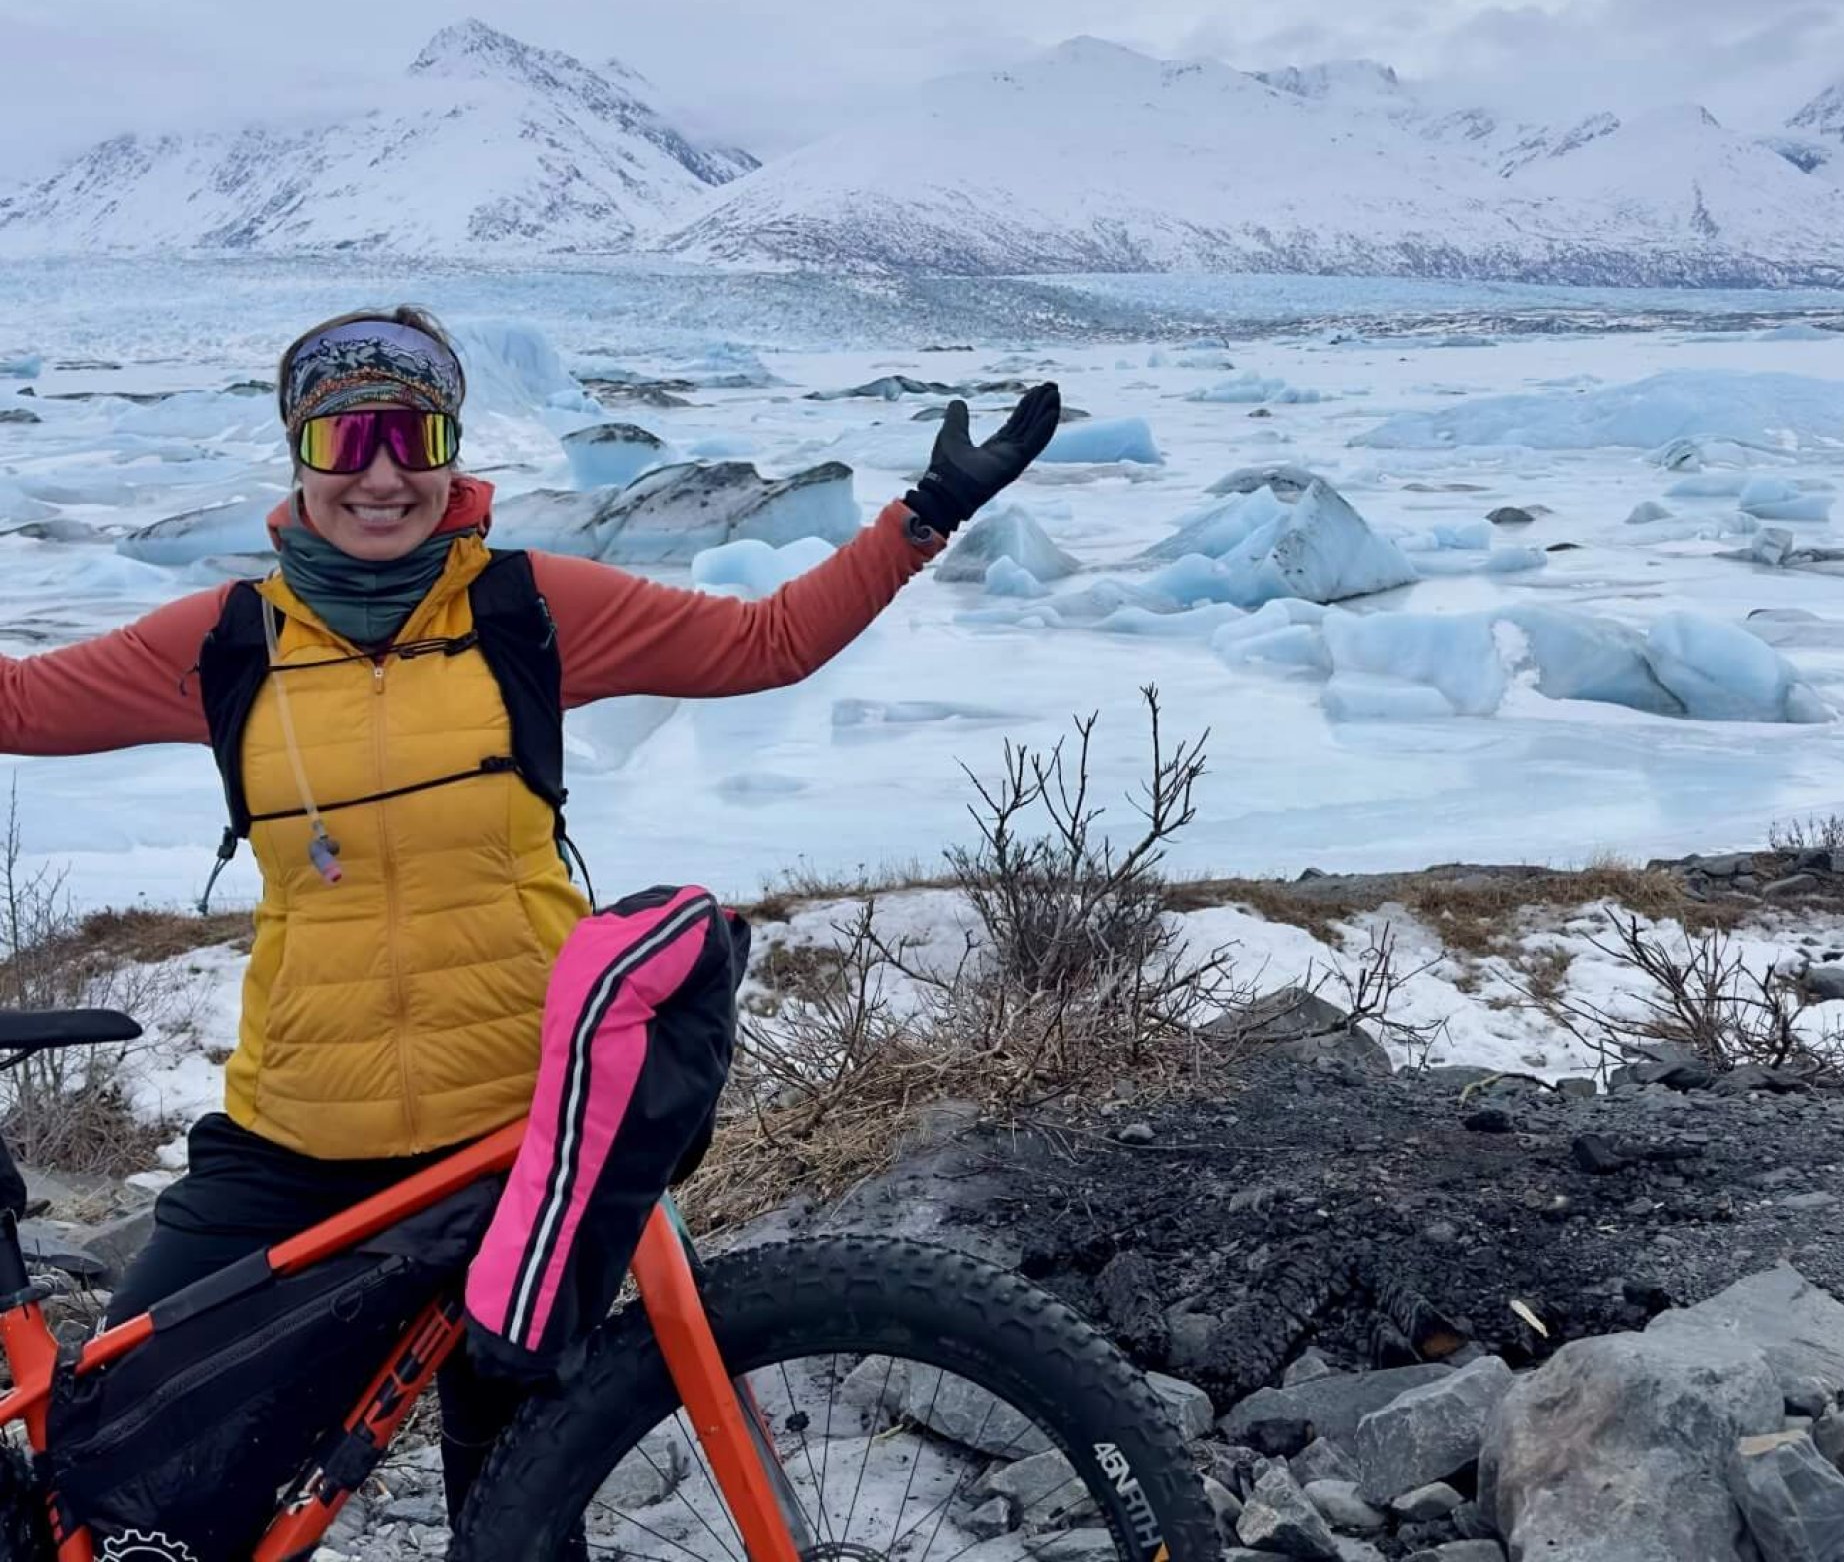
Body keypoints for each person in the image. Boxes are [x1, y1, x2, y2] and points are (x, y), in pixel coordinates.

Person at [0, 305, 1060, 1520]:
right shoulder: (228, 643)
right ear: (300, 455)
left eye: (414, 432)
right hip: (297, 1132)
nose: (383, 472)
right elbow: (18, 704)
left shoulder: (527, 610)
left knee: (513, 1509)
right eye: (348, 439)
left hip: (518, 1137)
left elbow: (767, 641)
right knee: (123, 1459)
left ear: (452, 444)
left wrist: (922, 516)